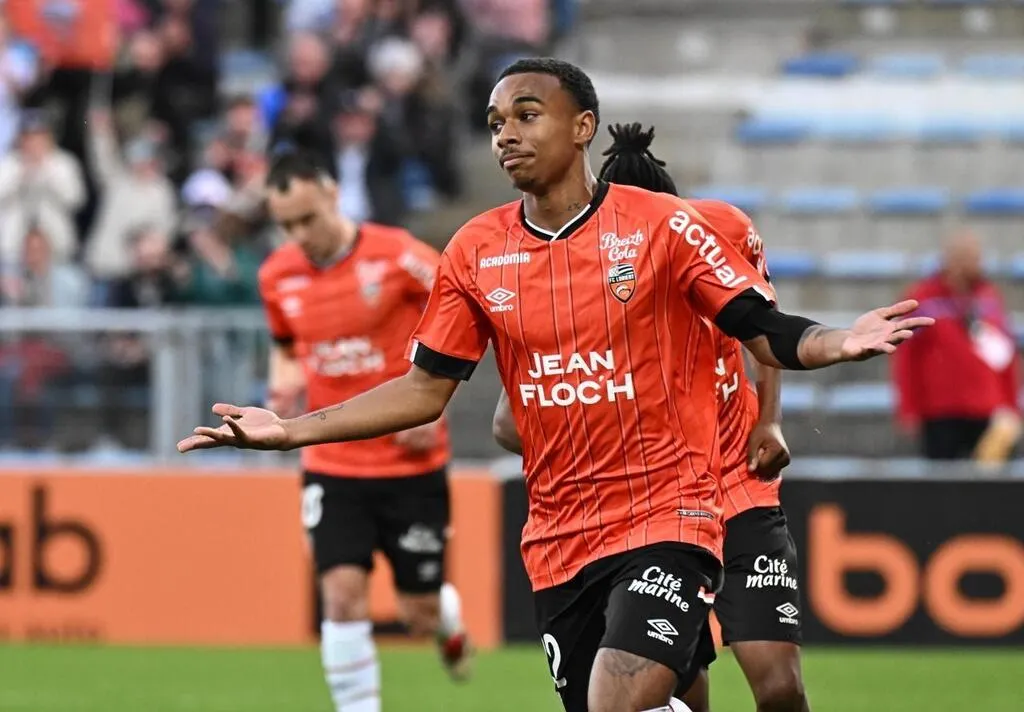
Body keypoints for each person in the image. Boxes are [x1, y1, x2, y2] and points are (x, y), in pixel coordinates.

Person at [177, 59, 932, 712]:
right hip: (560, 539)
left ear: (582, 128)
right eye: (496, 119)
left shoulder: (665, 227)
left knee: (648, 693)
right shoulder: (474, 250)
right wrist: (290, 429)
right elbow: (422, 390)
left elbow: (759, 324)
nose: (505, 132)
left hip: (671, 513)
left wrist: (835, 342)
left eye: (528, 114)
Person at [491, 123, 808, 712]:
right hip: (650, 506)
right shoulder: (575, 278)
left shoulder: (718, 232)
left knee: (779, 685)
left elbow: (767, 326)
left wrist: (769, 418)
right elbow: (511, 420)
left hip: (737, 486)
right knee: (669, 692)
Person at [254, 151, 472, 712]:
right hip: (332, 461)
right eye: (287, 225)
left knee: (415, 614)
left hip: (410, 460)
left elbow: (465, 316)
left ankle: (443, 615)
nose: (300, 235)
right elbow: (286, 349)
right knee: (342, 595)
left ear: (332, 195)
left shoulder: (399, 255)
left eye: (308, 218)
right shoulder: (277, 275)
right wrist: (282, 388)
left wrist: (438, 404)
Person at [892, 230, 1021, 464]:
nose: (972, 264)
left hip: (988, 409)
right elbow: (907, 357)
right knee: (943, 490)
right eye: (965, 257)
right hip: (940, 411)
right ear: (949, 260)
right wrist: (909, 408)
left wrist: (1011, 405)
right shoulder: (923, 299)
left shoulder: (989, 299)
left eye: (975, 258)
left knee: (991, 489)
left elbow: (1005, 355)